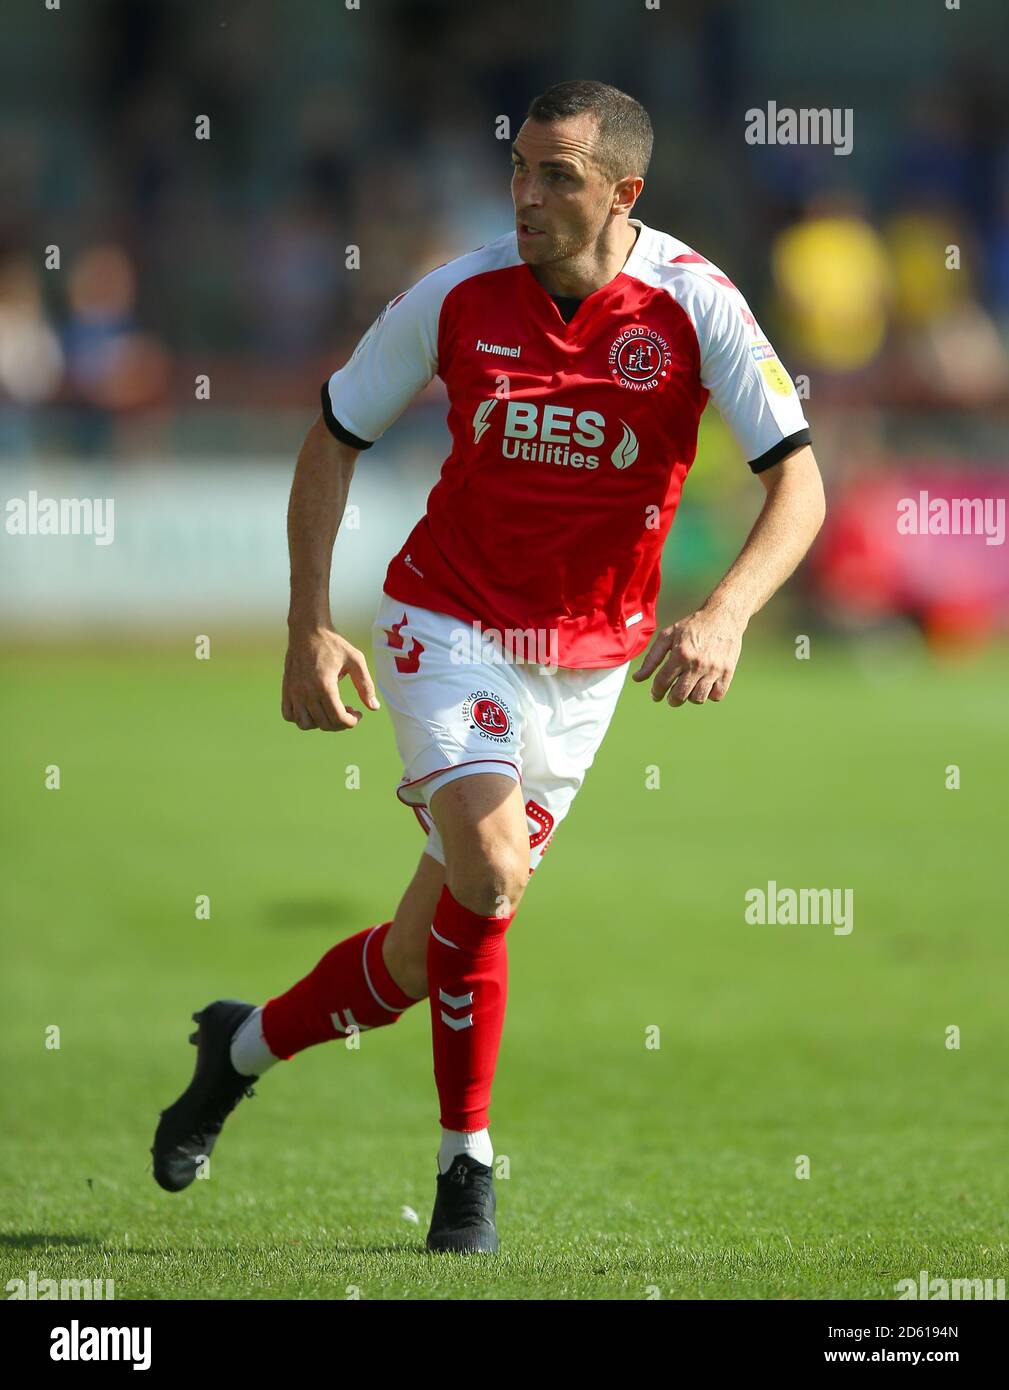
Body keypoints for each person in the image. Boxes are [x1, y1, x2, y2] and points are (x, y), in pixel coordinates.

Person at [152, 79, 826, 1255]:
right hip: (447, 619)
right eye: (518, 167)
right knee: (494, 867)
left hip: (589, 666)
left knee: (424, 954)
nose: (524, 194)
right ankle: (468, 1165)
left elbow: (801, 484)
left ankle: (239, 1046)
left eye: (555, 175)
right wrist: (310, 621)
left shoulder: (694, 302)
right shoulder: (457, 294)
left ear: (623, 193)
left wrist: (722, 613)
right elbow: (332, 434)